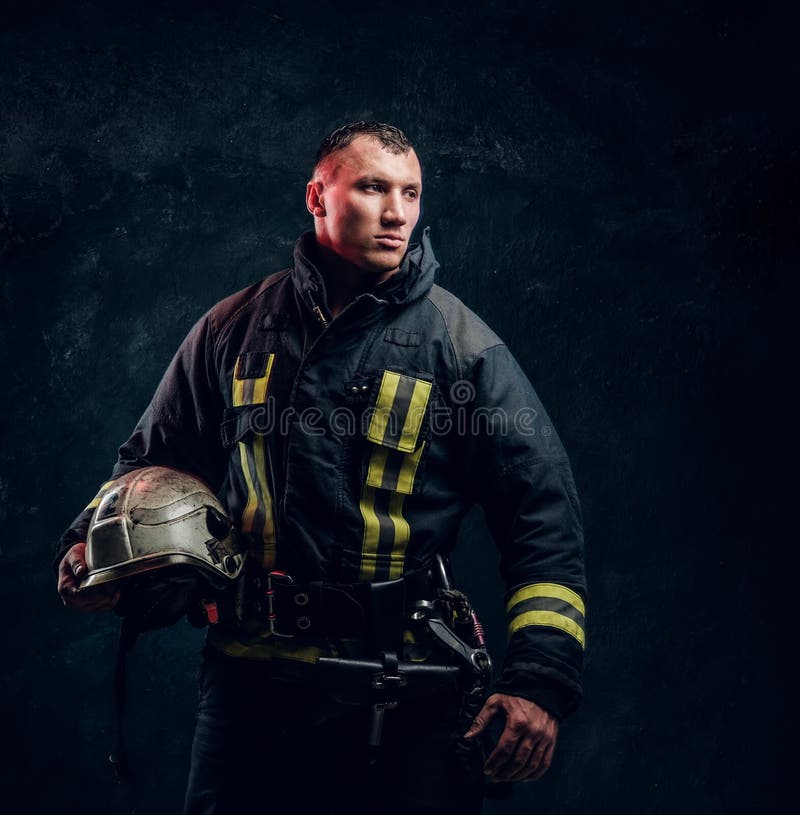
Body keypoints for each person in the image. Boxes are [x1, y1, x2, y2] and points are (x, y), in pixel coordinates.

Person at [56, 121, 586, 814]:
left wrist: (537, 682)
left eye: (411, 192)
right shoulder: (231, 330)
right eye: (373, 187)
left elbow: (543, 518)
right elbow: (152, 466)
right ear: (317, 196)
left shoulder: (462, 350)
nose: (397, 212)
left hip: (408, 693)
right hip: (250, 686)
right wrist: (93, 556)